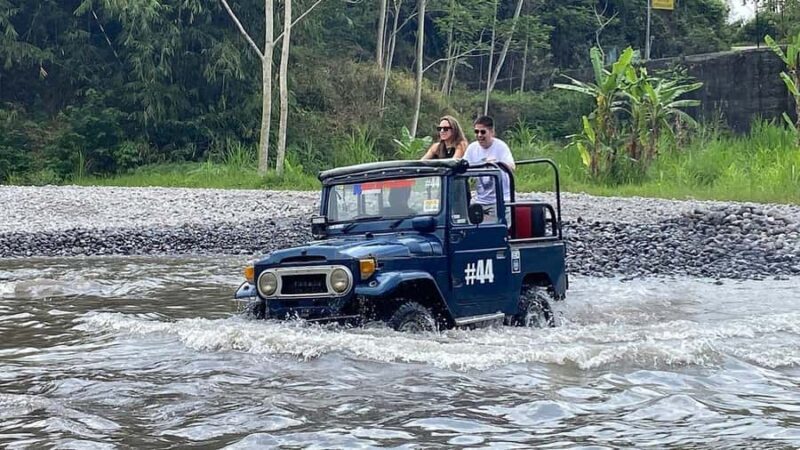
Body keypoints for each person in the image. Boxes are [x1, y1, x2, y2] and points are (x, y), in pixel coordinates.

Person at [463, 115, 515, 224]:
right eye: (476, 132)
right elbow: (462, 167)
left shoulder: (501, 147)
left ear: (492, 132)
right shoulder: (472, 148)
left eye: (483, 132)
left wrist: (496, 164)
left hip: (501, 200)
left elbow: (511, 166)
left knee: (500, 231)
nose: (479, 135)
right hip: (480, 201)